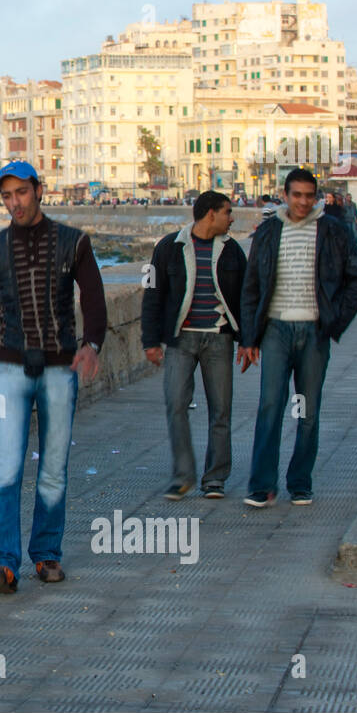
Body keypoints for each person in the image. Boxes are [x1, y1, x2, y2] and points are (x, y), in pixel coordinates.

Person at [0, 161, 105, 593]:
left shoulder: (74, 242)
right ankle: (2, 563)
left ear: (38, 191)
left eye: (21, 193)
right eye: (7, 196)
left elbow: (93, 295)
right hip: (10, 370)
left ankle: (47, 554)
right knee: (7, 468)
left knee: (53, 467)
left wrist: (92, 344)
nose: (15, 203)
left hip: (58, 369)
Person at [237, 167, 357, 508]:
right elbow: (251, 287)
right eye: (297, 195)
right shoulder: (267, 232)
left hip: (313, 332)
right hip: (276, 330)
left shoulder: (333, 232)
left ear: (316, 196)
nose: (303, 202)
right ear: (285, 195)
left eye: (309, 196)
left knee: (307, 411)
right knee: (270, 406)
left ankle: (300, 483)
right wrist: (249, 338)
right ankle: (262, 485)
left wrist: (334, 322)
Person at [141, 191, 245, 501]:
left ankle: (215, 479)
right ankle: (183, 476)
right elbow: (152, 295)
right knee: (176, 405)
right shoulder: (168, 247)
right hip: (180, 340)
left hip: (219, 338)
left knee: (221, 411)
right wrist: (151, 341)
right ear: (210, 214)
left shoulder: (233, 251)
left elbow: (246, 298)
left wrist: (249, 340)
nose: (232, 218)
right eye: (227, 212)